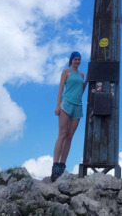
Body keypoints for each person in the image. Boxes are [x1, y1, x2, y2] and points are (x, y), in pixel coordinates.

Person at [50, 51, 85, 181]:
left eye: (79, 59)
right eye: (75, 59)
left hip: (78, 106)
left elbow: (80, 91)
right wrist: (57, 106)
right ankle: (55, 165)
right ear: (71, 61)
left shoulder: (81, 75)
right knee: (62, 134)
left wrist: (86, 81)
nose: (77, 61)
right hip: (66, 104)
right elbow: (60, 89)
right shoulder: (66, 72)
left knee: (70, 136)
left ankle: (62, 165)